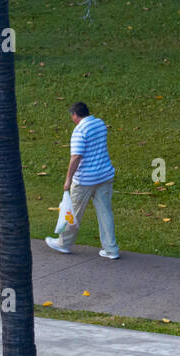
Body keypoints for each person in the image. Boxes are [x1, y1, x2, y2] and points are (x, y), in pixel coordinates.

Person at [45, 102, 119, 260]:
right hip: (105, 176)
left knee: (73, 213)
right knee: (105, 212)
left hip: (85, 179)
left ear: (75, 115)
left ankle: (64, 243)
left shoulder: (79, 131)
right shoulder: (100, 124)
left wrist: (67, 180)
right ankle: (111, 249)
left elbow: (76, 157)